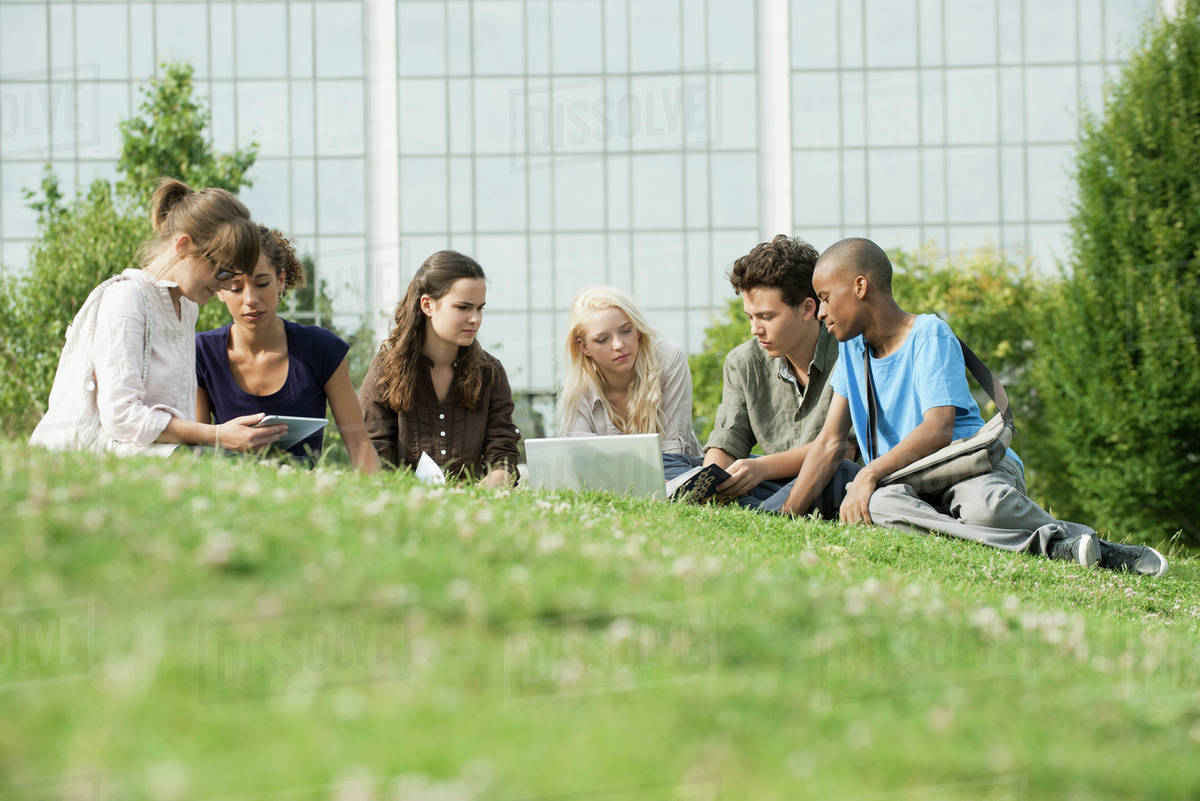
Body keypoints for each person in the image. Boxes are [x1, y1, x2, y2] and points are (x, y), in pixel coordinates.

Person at [781, 237, 1169, 575]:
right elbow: (830, 443)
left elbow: (938, 429)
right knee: (881, 506)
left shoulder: (928, 333)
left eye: (827, 298)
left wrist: (866, 475)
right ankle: (1058, 544)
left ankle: (1073, 544)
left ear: (860, 286)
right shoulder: (851, 349)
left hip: (970, 467)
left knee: (984, 507)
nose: (821, 313)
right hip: (907, 482)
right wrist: (787, 521)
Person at [30, 178, 287, 456]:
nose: (225, 286)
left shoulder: (187, 308)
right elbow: (122, 418)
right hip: (97, 453)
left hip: (154, 452)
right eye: (223, 272)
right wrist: (216, 434)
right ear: (184, 246)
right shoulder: (127, 298)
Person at [663, 234, 858, 516]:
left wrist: (762, 467)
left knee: (842, 472)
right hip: (771, 481)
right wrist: (707, 483)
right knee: (668, 462)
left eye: (766, 317)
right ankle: (743, 508)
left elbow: (845, 448)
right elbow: (728, 440)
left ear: (807, 308)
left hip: (828, 478)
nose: (755, 329)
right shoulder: (742, 361)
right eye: (750, 317)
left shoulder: (849, 353)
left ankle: (760, 514)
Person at [195, 226, 380, 472]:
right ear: (219, 290)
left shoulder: (321, 349)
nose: (250, 299)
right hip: (228, 493)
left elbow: (359, 444)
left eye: (261, 283)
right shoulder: (201, 352)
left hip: (305, 497)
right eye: (236, 287)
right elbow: (196, 450)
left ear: (281, 280)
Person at [358, 250, 519, 487]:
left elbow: (503, 454)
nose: (475, 319)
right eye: (463, 307)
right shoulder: (386, 369)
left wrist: (485, 492)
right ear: (427, 305)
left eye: (479, 308)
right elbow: (372, 453)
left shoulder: (490, 372)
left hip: (475, 512)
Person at [559, 286, 702, 457]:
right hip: (607, 483)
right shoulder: (577, 393)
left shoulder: (668, 360)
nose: (618, 345)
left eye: (626, 330)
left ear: (638, 331)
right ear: (584, 347)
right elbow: (583, 463)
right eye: (602, 339)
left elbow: (674, 453)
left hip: (675, 480)